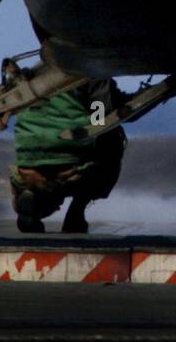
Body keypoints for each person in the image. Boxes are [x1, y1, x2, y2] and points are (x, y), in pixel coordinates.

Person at [9, 79, 127, 234]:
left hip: (29, 153)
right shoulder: (93, 73)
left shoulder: (34, 76)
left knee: (38, 180)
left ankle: (28, 194)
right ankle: (77, 211)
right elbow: (100, 114)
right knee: (111, 139)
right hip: (71, 147)